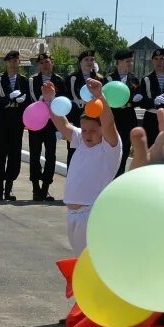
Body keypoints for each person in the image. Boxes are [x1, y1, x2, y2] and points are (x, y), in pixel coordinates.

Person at [47, 82, 120, 256]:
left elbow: (109, 124)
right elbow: (63, 125)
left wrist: (99, 96)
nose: (87, 134)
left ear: (102, 129)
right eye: (85, 129)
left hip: (92, 213)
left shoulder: (110, 147)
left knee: (91, 261)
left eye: (93, 130)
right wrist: (50, 100)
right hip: (73, 214)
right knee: (81, 261)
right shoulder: (80, 140)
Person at [0, 50, 29, 201]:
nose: (13, 64)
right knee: (0, 155)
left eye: (16, 61)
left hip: (17, 121)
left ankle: (9, 188)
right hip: (2, 121)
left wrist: (22, 102)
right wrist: (9, 99)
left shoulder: (24, 80)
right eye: (11, 61)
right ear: (6, 63)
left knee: (14, 155)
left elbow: (28, 101)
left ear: (19, 63)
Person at [27, 52, 65, 202]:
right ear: (38, 65)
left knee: (51, 156)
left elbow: (63, 100)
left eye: (47, 62)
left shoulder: (59, 80)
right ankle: (36, 187)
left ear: (52, 63)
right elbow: (32, 98)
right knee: (35, 155)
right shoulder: (33, 81)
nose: (45, 65)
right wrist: (45, 98)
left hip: (52, 124)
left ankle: (45, 188)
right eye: (41, 63)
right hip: (36, 123)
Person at [110, 49, 141, 172]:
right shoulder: (109, 79)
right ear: (119, 62)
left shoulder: (134, 80)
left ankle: (120, 174)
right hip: (114, 118)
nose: (130, 64)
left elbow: (139, 97)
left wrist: (137, 99)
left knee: (125, 150)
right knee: (112, 149)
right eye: (128, 61)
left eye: (131, 61)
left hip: (128, 118)